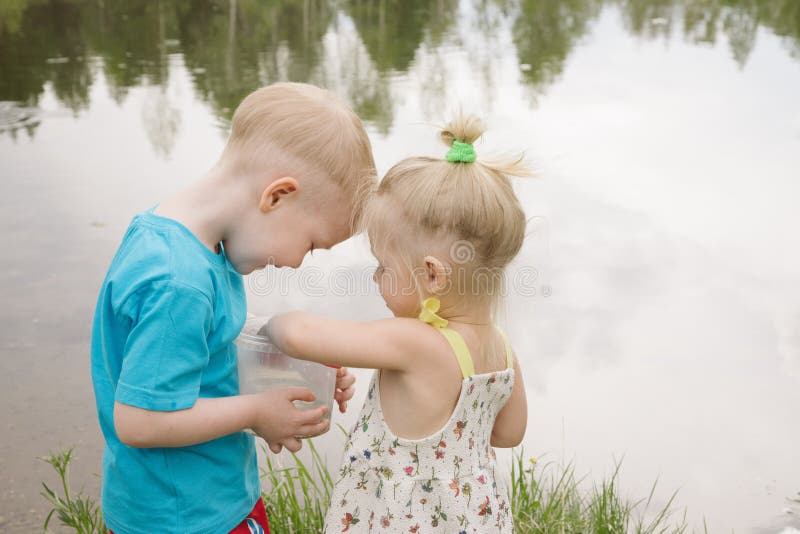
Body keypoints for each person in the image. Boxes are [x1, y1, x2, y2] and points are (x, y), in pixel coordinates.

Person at [90, 82, 376, 534]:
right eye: (311, 244)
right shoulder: (179, 281)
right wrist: (257, 412)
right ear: (277, 196)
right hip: (182, 518)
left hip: (197, 501)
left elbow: (204, 345)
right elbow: (139, 420)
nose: (297, 261)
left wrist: (296, 363)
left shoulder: (186, 243)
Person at [266, 113, 530, 532]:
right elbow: (509, 434)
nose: (376, 278)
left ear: (432, 275)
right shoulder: (501, 347)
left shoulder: (415, 342)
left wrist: (267, 324)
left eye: (384, 267)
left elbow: (299, 334)